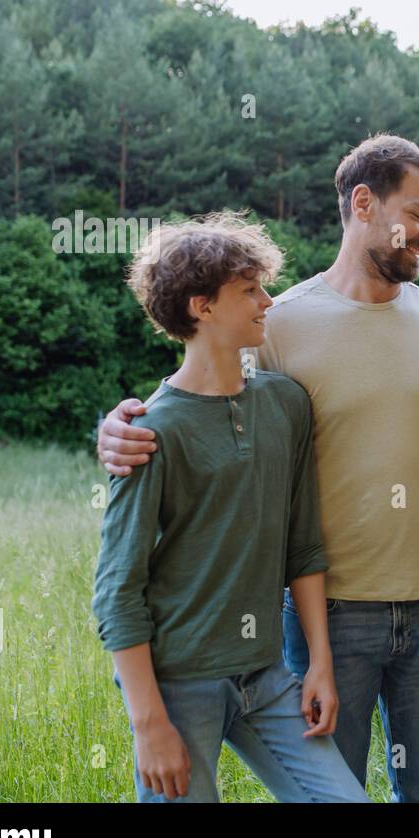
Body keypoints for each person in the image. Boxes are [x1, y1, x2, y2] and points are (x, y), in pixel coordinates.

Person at [97, 134, 419, 802]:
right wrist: (118, 427)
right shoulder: (283, 325)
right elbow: (199, 392)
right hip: (322, 616)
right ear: (364, 203)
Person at [91, 213, 366, 803]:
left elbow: (304, 543)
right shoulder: (151, 432)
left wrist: (319, 661)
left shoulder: (286, 404)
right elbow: (117, 591)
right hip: (179, 682)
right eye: (250, 290)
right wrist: (149, 725)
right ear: (202, 307)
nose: (268, 301)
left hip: (265, 677)